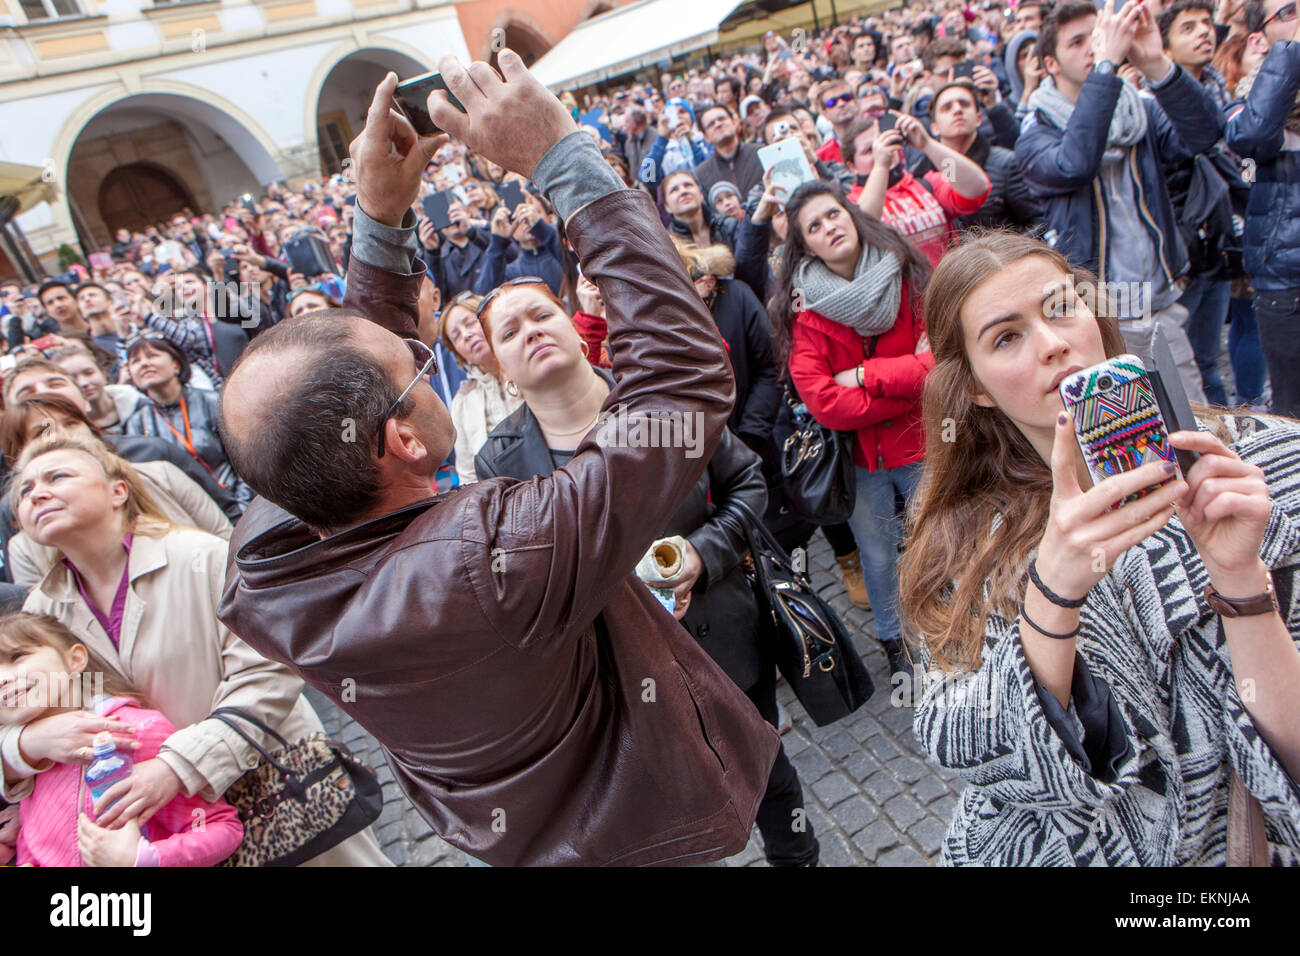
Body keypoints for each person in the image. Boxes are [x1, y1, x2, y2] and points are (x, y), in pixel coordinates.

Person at [215, 58, 778, 867]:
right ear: (403, 441)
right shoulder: (495, 558)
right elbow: (682, 386)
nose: (425, 358)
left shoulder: (262, 567)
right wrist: (562, 156)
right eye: (416, 368)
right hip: (651, 830)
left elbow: (339, 397)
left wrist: (380, 220)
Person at [899, 231, 1300, 865]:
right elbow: (958, 738)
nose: (1054, 343)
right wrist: (1052, 595)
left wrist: (1241, 579)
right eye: (1007, 337)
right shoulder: (959, 541)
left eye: (1061, 308)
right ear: (975, 387)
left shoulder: (1263, 465)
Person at [471, 274, 818, 867]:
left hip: (723, 637)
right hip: (617, 668)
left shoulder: (656, 403)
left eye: (540, 315)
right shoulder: (499, 462)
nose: (531, 332)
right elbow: (525, 577)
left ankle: (799, 857)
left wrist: (701, 554)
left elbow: (747, 483)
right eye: (510, 331)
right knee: (665, 795)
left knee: (764, 767)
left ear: (575, 330)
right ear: (501, 367)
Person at [0, 434, 390, 866]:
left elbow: (268, 672)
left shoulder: (199, 556)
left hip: (270, 786)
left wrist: (178, 767)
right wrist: (25, 742)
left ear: (118, 491)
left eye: (58, 476)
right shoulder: (41, 609)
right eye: (25, 490)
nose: (38, 492)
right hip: (161, 833)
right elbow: (36, 712)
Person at [1017, 0, 1226, 403]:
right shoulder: (1034, 135)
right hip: (1095, 315)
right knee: (1122, 440)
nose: (1094, 48)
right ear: (1051, 65)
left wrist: (1155, 64)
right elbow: (1076, 161)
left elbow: (1205, 135)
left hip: (1159, 303)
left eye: (1096, 37)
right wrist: (1106, 70)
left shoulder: (1140, 109)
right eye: (1077, 42)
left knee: (1197, 424)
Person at [769, 181, 933, 682]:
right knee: (879, 558)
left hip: (922, 444)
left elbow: (938, 367)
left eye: (833, 214)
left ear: (852, 215)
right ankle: (895, 642)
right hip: (861, 463)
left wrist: (865, 376)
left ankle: (958, 627)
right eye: (814, 226)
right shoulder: (804, 310)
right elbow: (826, 404)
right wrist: (907, 376)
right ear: (806, 245)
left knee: (942, 540)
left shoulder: (905, 275)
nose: (829, 227)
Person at [0, 611, 245, 867]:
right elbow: (33, 845)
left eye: (18, 656)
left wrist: (143, 859)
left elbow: (216, 826)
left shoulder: (137, 730)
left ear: (75, 659)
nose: (3, 679)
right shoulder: (29, 764)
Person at [0, 394, 232, 587]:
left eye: (71, 422)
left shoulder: (162, 475)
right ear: (19, 455)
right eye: (43, 432)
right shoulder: (24, 550)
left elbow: (228, 543)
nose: (62, 434)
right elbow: (44, 630)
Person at [1226, 0, 1300, 416]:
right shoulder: (1244, 99)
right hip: (1286, 282)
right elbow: (1252, 139)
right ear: (1258, 38)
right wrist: (1291, 52)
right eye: (1288, 11)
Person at [844, 114, 991, 268]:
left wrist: (927, 144)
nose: (881, 151)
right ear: (851, 166)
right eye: (869, 150)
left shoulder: (926, 184)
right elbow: (865, 227)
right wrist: (881, 165)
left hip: (951, 286)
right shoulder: (850, 204)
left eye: (886, 142)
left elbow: (977, 187)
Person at [122, 335, 251, 509]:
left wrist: (243, 508)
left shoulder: (212, 402)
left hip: (236, 500)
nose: (144, 363)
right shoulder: (137, 423)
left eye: (152, 355)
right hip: (189, 511)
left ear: (176, 364)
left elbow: (246, 459)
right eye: (135, 361)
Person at [924, 79, 1044, 232]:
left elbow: (1037, 222)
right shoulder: (922, 175)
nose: (957, 110)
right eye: (947, 107)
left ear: (979, 118)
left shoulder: (1006, 164)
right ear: (934, 128)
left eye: (964, 104)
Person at [435, 291, 522, 486]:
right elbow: (468, 476)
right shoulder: (463, 401)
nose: (466, 335)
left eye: (470, 323)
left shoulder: (527, 364)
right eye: (456, 336)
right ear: (458, 353)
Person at [50, 343, 140, 434]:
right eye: (73, 379)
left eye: (88, 373)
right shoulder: (64, 430)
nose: (83, 383)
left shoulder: (139, 404)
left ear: (103, 373)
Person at [694, 105, 767, 199]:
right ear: (706, 137)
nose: (718, 124)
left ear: (734, 122)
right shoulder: (702, 174)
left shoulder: (761, 153)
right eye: (711, 124)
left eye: (722, 119)